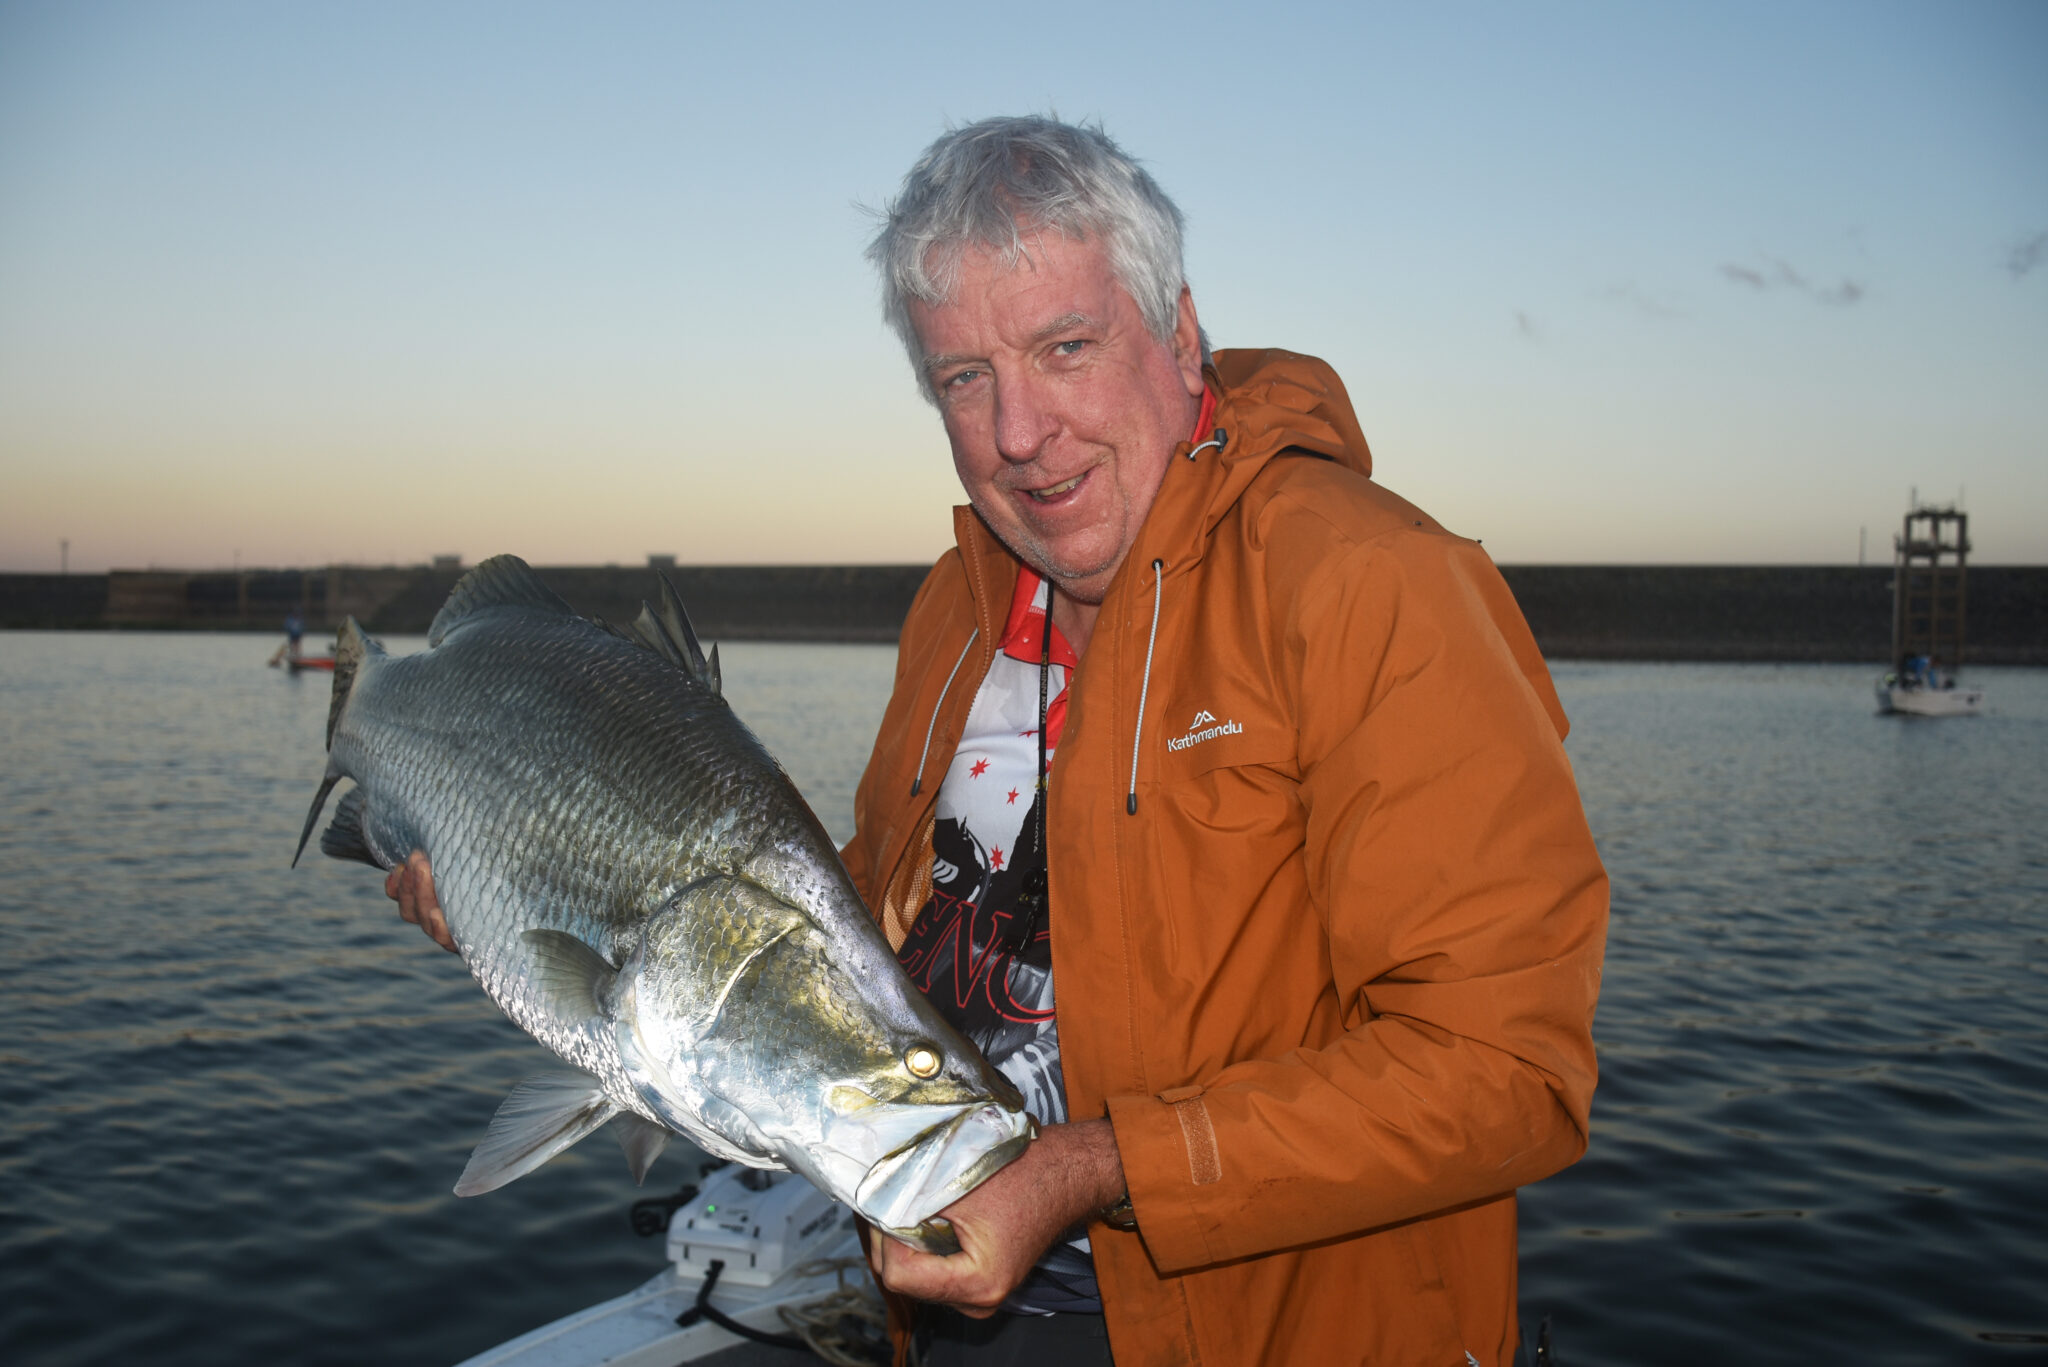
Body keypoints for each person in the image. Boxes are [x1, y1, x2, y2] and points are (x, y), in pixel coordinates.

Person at [391, 116, 1608, 1366]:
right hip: (960, 1316)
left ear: (1177, 334)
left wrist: (1090, 1165)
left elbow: (1508, 1071)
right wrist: (527, 892)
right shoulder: (957, 608)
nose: (1018, 432)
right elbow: (854, 941)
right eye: (962, 378)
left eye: (1063, 347)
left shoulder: (1368, 585)